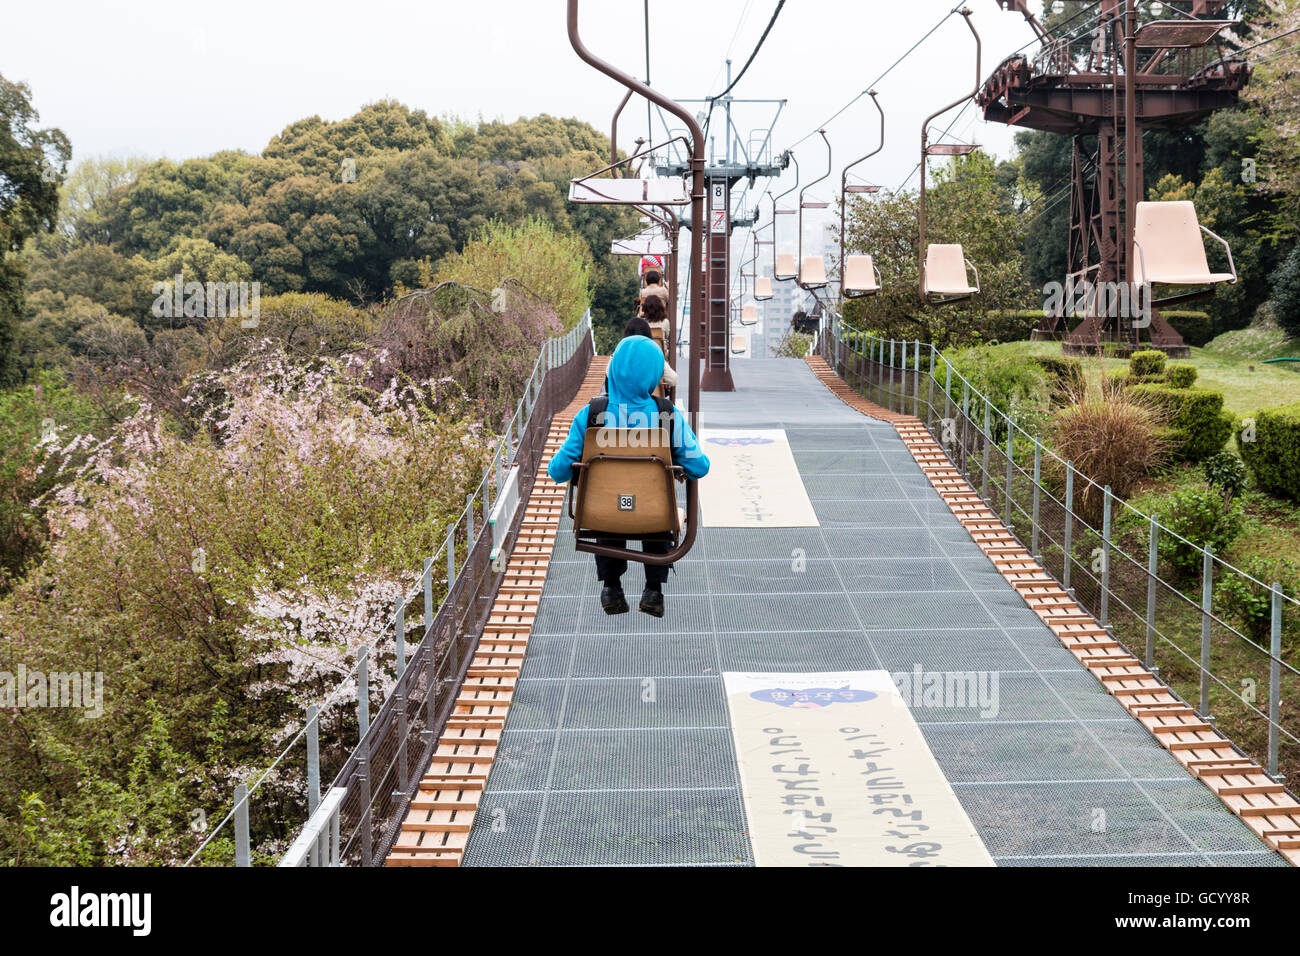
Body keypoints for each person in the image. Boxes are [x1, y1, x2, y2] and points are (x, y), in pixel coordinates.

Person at [547, 335, 709, 618]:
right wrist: (680, 467)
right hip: (654, 517)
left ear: (613, 368)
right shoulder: (666, 416)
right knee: (656, 505)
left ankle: (611, 585)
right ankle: (653, 588)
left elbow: (557, 471)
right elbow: (700, 466)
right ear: (654, 374)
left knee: (608, 503)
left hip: (603, 517)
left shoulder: (592, 415)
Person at [625, 312, 677, 388]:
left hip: (622, 398)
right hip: (647, 397)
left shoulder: (618, 354)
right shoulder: (655, 355)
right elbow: (673, 380)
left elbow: (608, 374)